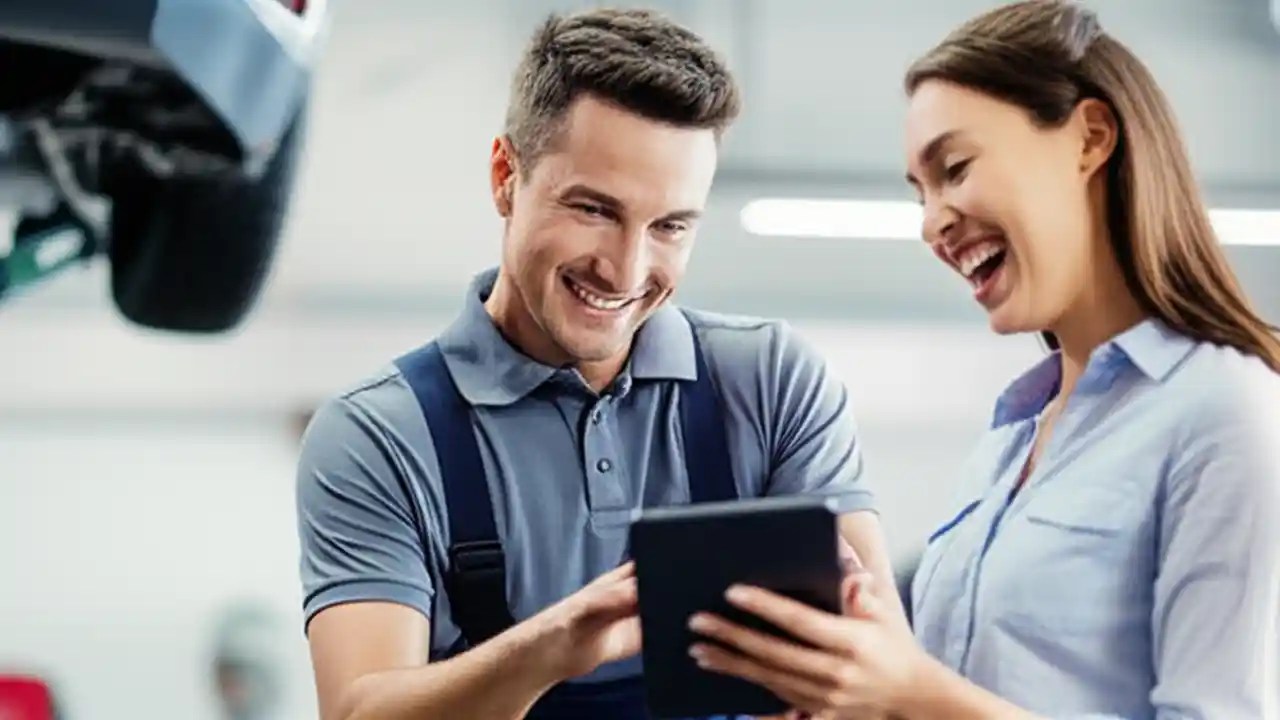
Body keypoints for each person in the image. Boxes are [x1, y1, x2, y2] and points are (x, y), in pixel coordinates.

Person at [294, 8, 902, 720]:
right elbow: (359, 712)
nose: (626, 269)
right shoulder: (380, 434)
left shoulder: (769, 384)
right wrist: (555, 643)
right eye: (594, 209)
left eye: (670, 226)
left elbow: (885, 672)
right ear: (504, 176)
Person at [684, 2, 1280, 719]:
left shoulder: (1224, 410)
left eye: (955, 168)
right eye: (920, 192)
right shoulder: (1013, 436)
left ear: (1089, 138)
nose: (932, 221)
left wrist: (912, 694)